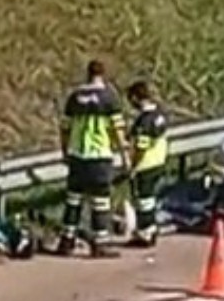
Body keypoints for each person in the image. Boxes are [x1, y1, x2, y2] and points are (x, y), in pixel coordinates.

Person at [56, 60, 128, 258]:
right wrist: (125, 157)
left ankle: (66, 240)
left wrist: (65, 152)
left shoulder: (74, 97)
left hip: (78, 155)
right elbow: (117, 130)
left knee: (73, 200)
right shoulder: (109, 98)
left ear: (87, 74)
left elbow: (64, 129)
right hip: (99, 156)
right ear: (103, 75)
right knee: (100, 201)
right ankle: (100, 243)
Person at [125, 79, 169, 248]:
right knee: (149, 199)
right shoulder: (159, 114)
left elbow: (141, 147)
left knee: (143, 200)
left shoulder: (145, 121)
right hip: (158, 161)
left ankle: (146, 233)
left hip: (146, 164)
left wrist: (133, 166)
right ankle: (150, 230)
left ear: (137, 98)